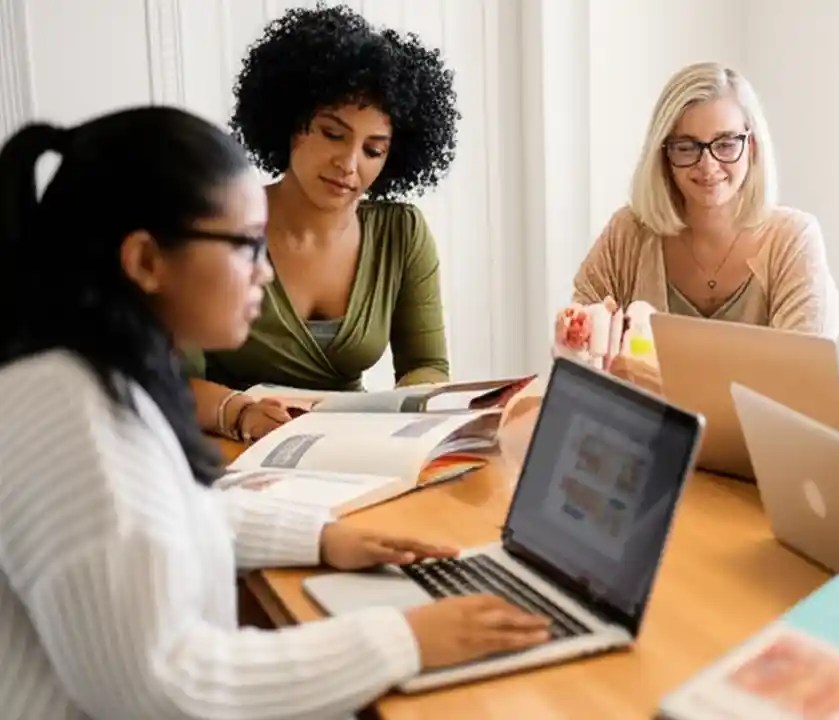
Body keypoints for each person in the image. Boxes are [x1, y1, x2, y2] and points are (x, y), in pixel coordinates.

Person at [0, 108, 548, 719]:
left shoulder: (93, 375)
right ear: (146, 262)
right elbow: (165, 688)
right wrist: (407, 638)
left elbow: (162, 519)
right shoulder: (79, 433)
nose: (264, 272)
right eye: (244, 247)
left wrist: (319, 536)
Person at [190, 5, 459, 442]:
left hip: (347, 451)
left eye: (373, 150)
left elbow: (426, 366)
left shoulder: (402, 234)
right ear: (292, 123)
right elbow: (168, 381)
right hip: (234, 450)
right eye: (333, 134)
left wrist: (405, 408)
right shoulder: (217, 225)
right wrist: (241, 413)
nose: (348, 164)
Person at [572, 61, 839, 340]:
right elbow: (578, 342)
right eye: (687, 148)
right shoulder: (627, 233)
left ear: (752, 147)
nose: (708, 165)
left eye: (725, 144)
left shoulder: (793, 239)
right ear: (663, 155)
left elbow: (805, 370)